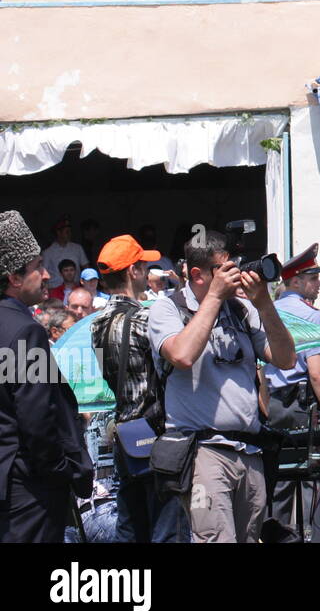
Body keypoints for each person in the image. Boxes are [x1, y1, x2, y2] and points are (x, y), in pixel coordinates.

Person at [147, 230, 297, 542]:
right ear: (199, 274)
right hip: (204, 451)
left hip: (249, 449)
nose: (234, 275)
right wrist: (214, 298)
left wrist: (264, 303)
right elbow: (182, 355)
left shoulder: (242, 310)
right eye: (224, 270)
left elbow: (285, 359)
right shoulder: (168, 308)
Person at [0, 211, 93, 541]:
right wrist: (59, 471)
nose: (46, 275)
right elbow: (36, 416)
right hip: (27, 489)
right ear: (14, 278)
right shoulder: (25, 331)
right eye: (38, 267)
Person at [90, 234, 188, 543]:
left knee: (131, 526)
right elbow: (175, 364)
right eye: (143, 265)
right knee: (166, 528)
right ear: (132, 272)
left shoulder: (97, 322)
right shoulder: (147, 317)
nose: (148, 271)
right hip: (158, 436)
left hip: (125, 433)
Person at [262, 245, 320, 542]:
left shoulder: (268, 311)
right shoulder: (310, 315)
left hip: (273, 405)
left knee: (279, 485)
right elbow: (318, 373)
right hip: (303, 407)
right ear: (295, 281)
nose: (319, 284)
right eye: (313, 278)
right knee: (314, 485)